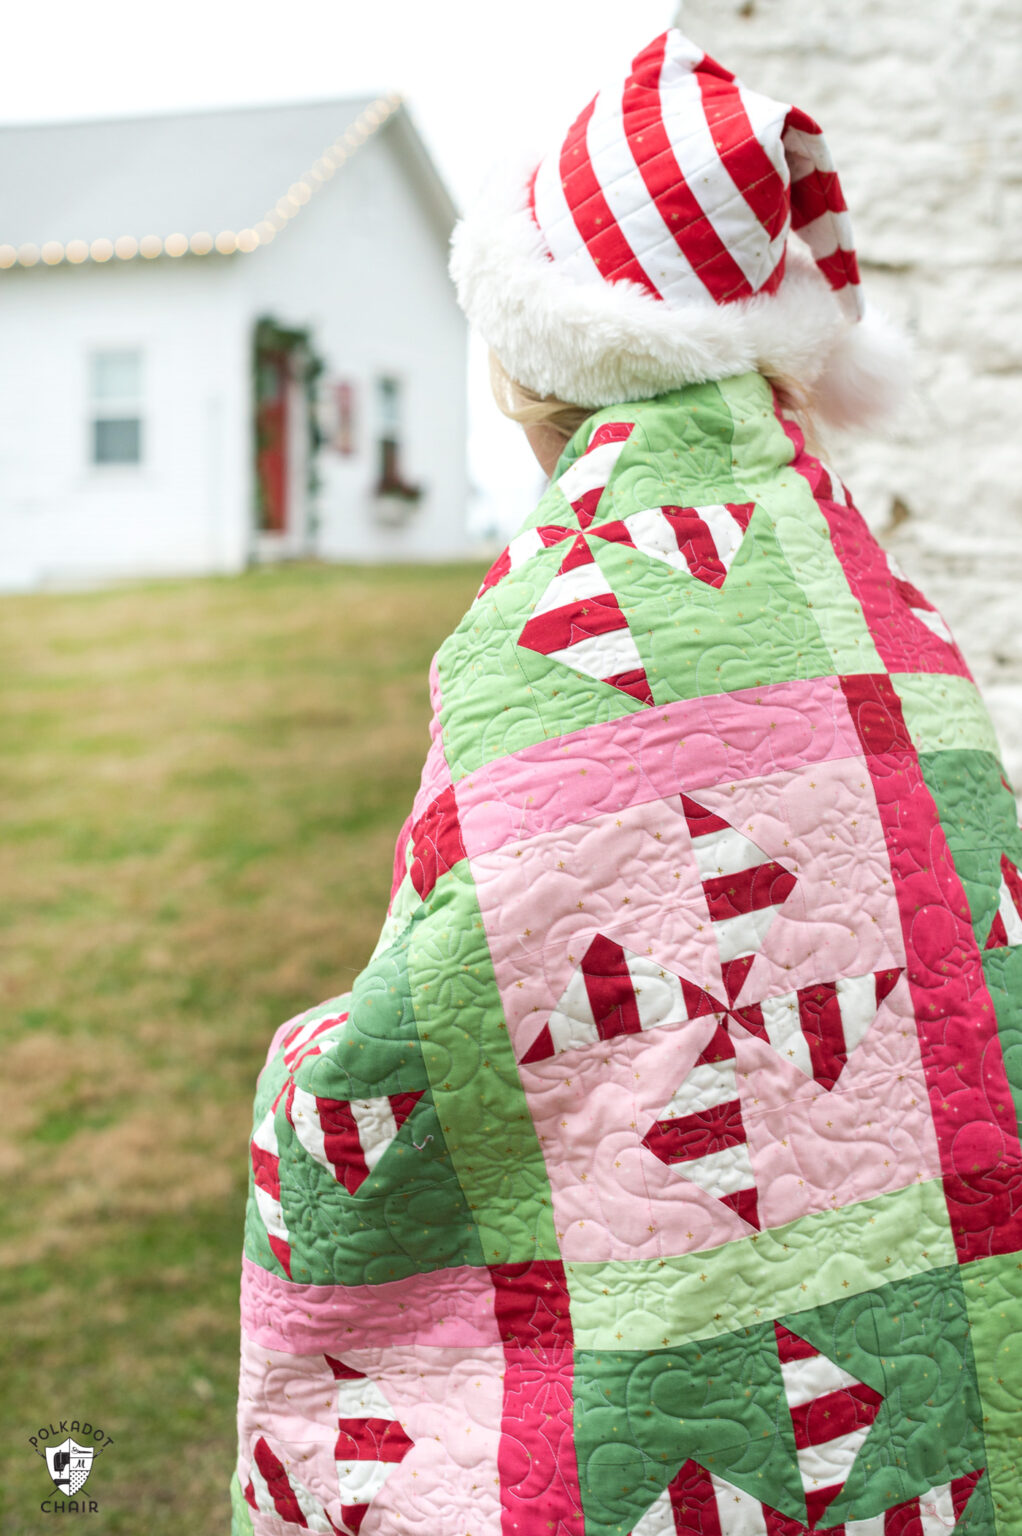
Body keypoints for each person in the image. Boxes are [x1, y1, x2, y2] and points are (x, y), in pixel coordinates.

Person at [231, 28, 1020, 1536]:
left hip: (649, 1297)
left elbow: (452, 1012)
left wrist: (312, 1077)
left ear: (547, 348)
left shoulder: (550, 624)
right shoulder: (884, 608)